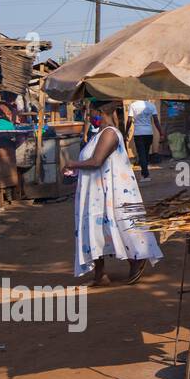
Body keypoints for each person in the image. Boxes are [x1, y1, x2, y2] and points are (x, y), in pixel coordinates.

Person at [65, 99, 162, 285]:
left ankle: (136, 259)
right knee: (95, 229)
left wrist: (73, 163)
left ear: (100, 112)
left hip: (111, 192)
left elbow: (96, 161)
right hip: (96, 193)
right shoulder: (99, 134)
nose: (89, 116)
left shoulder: (110, 133)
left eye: (90, 113)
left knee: (119, 225)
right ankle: (100, 274)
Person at [126, 99, 163, 179]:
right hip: (149, 133)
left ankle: (145, 174)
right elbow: (156, 121)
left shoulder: (133, 105)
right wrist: (161, 133)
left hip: (138, 133)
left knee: (141, 154)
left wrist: (126, 132)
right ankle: (144, 173)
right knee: (145, 153)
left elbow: (129, 120)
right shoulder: (151, 106)